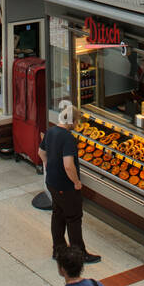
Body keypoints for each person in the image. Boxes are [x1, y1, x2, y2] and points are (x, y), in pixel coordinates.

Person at [39, 102, 100, 264]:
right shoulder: (68, 138)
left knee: (58, 215)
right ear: (71, 121)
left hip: (51, 183)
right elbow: (68, 165)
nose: (77, 125)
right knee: (74, 218)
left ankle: (57, 250)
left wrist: (49, 165)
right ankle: (79, 254)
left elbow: (41, 152)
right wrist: (76, 181)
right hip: (65, 186)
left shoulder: (51, 131)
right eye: (76, 121)